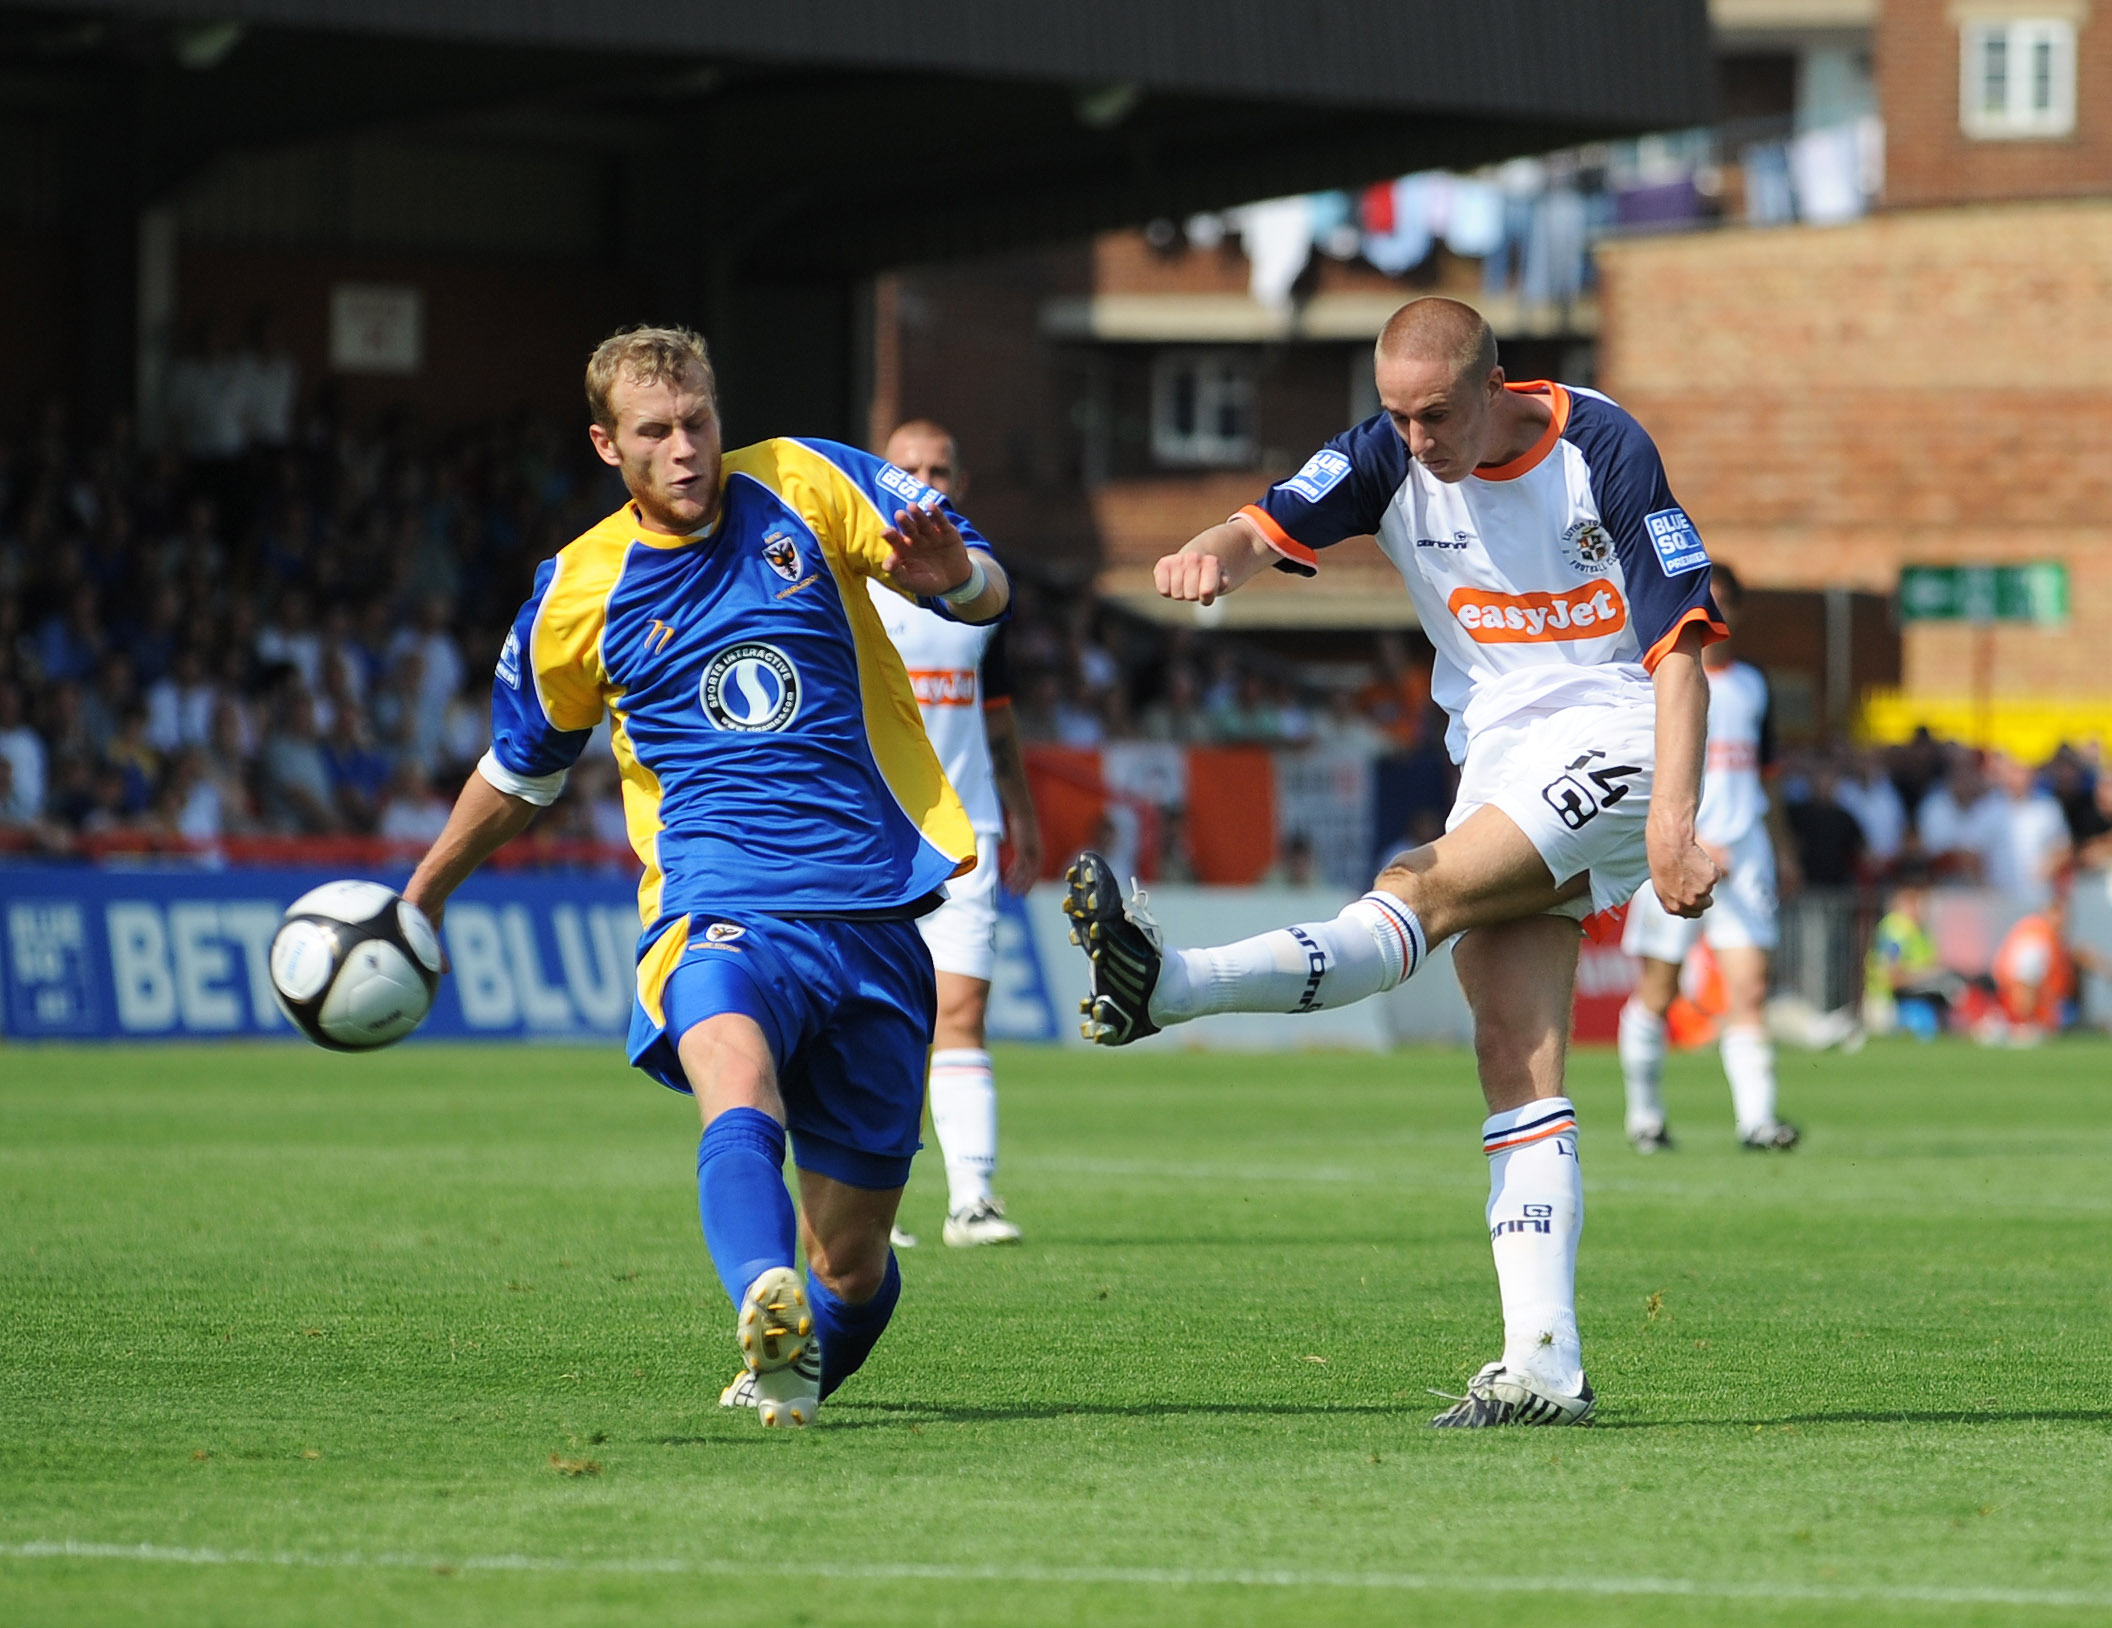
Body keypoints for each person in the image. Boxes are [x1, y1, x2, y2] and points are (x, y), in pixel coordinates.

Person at [1063, 297, 1722, 1428]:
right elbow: (1265, 523)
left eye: (1436, 415)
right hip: (1501, 744)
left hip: (1614, 726)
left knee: (1424, 892)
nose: (1418, 440)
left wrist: (1672, 816)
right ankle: (1545, 1362)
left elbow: (1680, 649)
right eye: (1399, 417)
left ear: (1496, 383)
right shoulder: (1385, 453)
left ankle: (1174, 985)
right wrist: (1205, 558)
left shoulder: (1604, 447)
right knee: (1512, 1045)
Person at [401, 326, 1010, 1430]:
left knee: (858, 1262)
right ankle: (757, 1292)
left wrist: (959, 579)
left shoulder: (808, 480)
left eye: (699, 422)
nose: (686, 450)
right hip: (717, 906)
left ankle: (794, 1344)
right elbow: (518, 769)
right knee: (735, 1077)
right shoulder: (578, 589)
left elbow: (989, 587)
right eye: (655, 432)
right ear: (606, 444)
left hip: (871, 905)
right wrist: (421, 895)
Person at [866, 418, 1044, 1249]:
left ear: (959, 481)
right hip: (868, 836)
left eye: (940, 467)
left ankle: (972, 1201)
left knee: (961, 1014)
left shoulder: (981, 587)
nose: (925, 480)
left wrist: (1024, 815)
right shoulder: (851, 579)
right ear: (879, 473)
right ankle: (871, 1197)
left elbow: (996, 710)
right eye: (908, 467)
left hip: (968, 828)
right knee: (871, 1022)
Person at [1616, 563, 1803, 1154]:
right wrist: (1682, 833)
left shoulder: (1754, 685)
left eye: (1722, 601)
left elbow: (1766, 774)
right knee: (1659, 990)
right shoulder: (1662, 677)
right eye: (1704, 599)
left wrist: (1781, 845)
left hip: (1745, 853)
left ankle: (1758, 1122)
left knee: (1748, 990)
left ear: (1736, 612)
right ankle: (1644, 1116)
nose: (1711, 611)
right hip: (1676, 846)